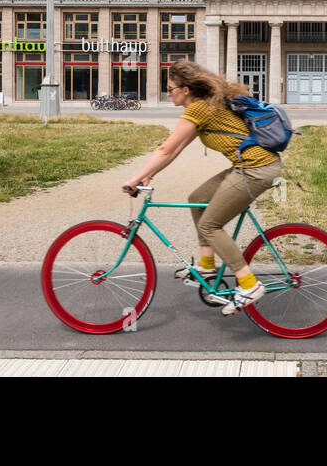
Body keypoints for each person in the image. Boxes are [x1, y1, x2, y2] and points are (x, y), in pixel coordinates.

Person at [121, 59, 283, 315]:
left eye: (171, 87)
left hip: (256, 169)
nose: (168, 92)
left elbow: (165, 148)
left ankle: (249, 284)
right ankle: (207, 267)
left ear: (186, 89)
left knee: (210, 225)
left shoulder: (199, 109)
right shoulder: (204, 108)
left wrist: (134, 178)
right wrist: (148, 175)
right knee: (198, 199)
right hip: (248, 166)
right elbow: (174, 151)